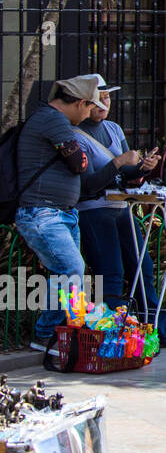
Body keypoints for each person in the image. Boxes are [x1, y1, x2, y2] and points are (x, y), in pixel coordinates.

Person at [74, 77, 166, 348]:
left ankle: (158, 330)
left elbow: (126, 175)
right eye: (98, 97)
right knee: (111, 274)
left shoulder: (113, 129)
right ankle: (114, 338)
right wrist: (118, 162)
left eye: (108, 96)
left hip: (122, 207)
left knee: (143, 269)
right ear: (84, 102)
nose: (105, 102)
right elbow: (87, 183)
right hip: (94, 209)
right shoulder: (75, 133)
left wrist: (143, 168)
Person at [14, 77, 94, 353]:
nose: (88, 115)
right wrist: (80, 152)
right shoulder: (54, 120)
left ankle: (57, 334)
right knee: (72, 270)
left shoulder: (52, 120)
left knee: (64, 274)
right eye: (89, 108)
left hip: (59, 213)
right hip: (43, 212)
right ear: (81, 102)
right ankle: (48, 333)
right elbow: (79, 163)